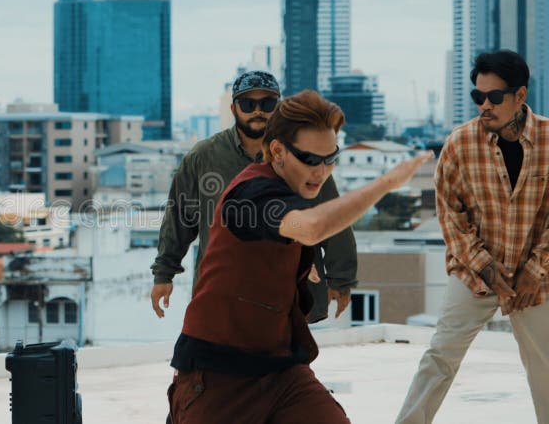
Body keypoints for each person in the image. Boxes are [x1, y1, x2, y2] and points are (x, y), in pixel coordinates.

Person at [166, 90, 431, 423]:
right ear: (277, 150)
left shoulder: (295, 192)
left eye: (329, 158)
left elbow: (297, 240)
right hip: (218, 375)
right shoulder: (248, 197)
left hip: (281, 372)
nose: (321, 171)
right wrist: (388, 183)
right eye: (309, 159)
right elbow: (310, 228)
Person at [396, 50, 549, 424]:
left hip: (535, 277)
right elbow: (450, 213)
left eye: (494, 97)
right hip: (476, 271)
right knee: (440, 357)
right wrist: (484, 265)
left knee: (545, 368)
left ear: (520, 96)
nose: (484, 105)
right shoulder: (460, 144)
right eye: (477, 96)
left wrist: (537, 267)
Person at [151, 70, 356, 323]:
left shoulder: (302, 155)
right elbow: (179, 219)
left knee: (286, 360)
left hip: (289, 292)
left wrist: (342, 279)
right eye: (248, 104)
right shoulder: (203, 157)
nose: (258, 111)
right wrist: (164, 274)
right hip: (223, 289)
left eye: (267, 103)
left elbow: (330, 218)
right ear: (234, 108)